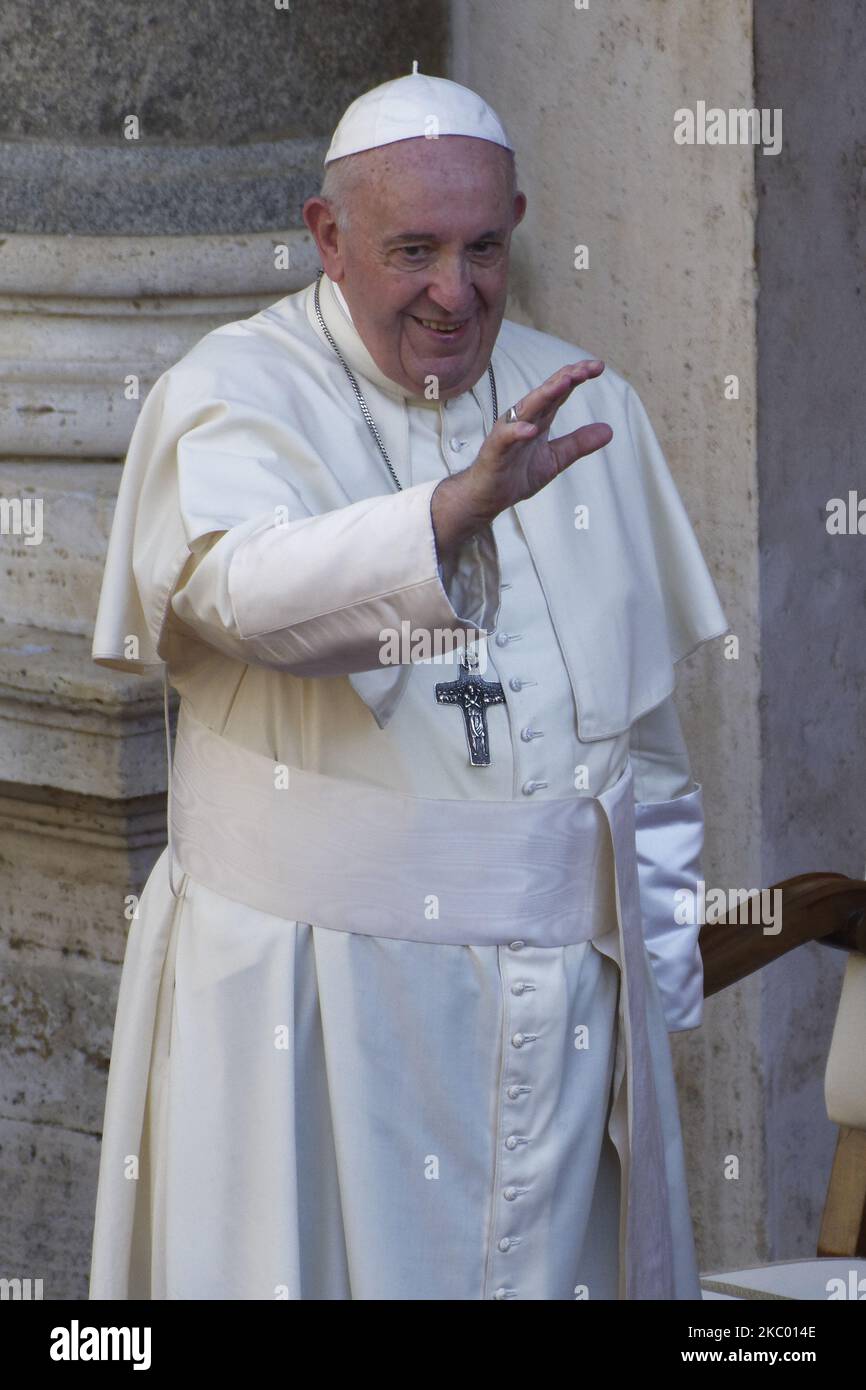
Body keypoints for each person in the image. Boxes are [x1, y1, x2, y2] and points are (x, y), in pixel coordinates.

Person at [88, 70, 728, 1301]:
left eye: (484, 248)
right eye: (413, 250)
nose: (455, 291)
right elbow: (243, 594)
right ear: (327, 238)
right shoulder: (229, 390)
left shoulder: (583, 403)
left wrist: (655, 1008)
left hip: (565, 1018)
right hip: (321, 1014)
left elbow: (644, 750)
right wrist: (443, 519)